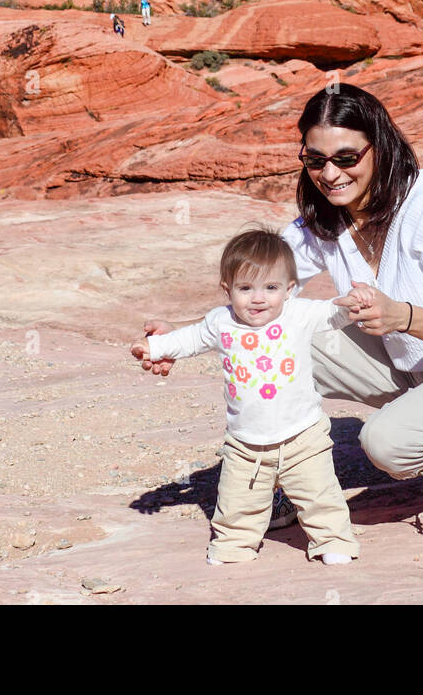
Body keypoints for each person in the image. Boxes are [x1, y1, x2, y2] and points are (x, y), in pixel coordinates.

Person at [140, 83, 423, 526]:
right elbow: (258, 291)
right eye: (315, 160)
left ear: (380, 147)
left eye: (346, 158)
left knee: (388, 445)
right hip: (411, 368)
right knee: (271, 339)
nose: (330, 174)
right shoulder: (326, 219)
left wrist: (399, 315)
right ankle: (286, 475)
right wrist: (175, 339)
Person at [132, 227, 361, 565]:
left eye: (270, 288)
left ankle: (333, 540)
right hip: (245, 442)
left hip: (303, 434)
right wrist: (155, 347)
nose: (258, 298)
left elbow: (332, 314)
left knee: (320, 494)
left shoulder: (297, 313)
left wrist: (353, 305)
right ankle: (233, 545)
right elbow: (191, 339)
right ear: (228, 290)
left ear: (289, 289)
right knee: (238, 500)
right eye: (245, 288)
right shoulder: (221, 322)